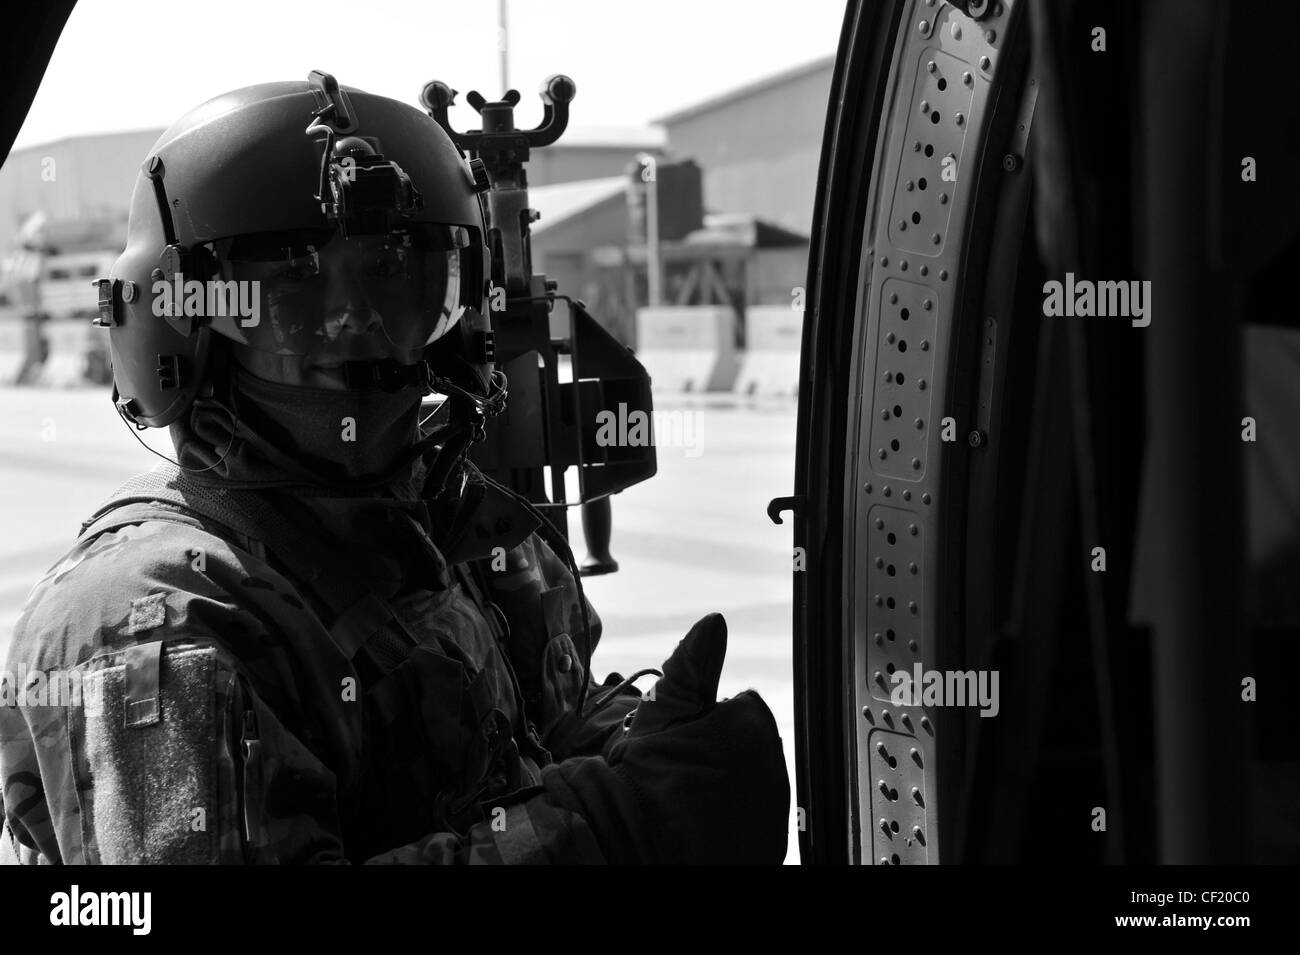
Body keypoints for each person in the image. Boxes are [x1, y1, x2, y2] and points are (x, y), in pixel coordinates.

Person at [0, 74, 789, 864]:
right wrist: (611, 825)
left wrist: (651, 754)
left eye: (393, 274)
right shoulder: (152, 625)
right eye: (294, 286)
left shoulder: (463, 535)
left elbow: (538, 749)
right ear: (178, 326)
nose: (355, 319)